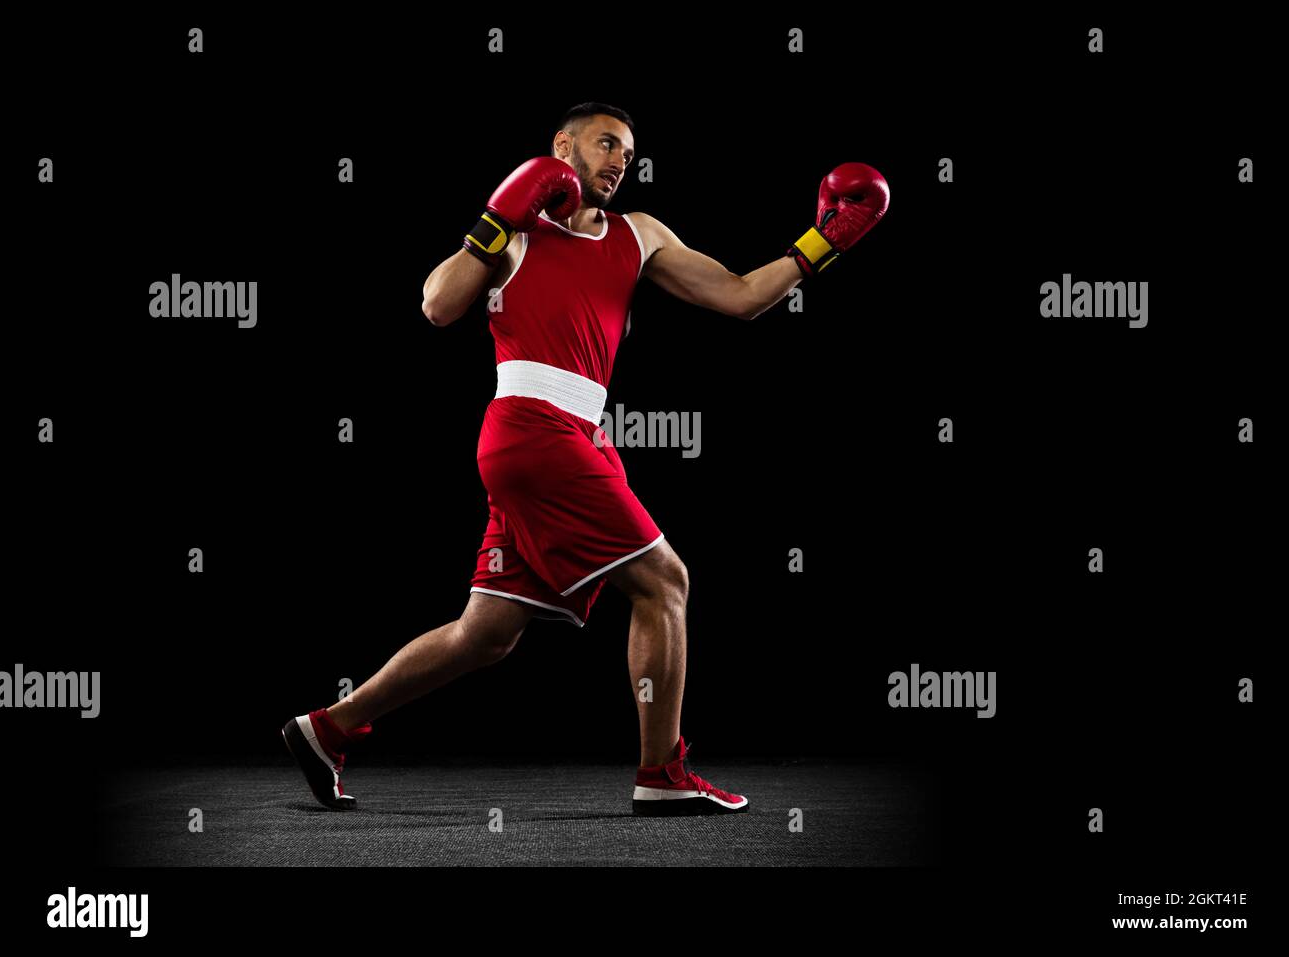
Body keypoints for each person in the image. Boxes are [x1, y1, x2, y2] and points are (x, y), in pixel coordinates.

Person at [283, 101, 889, 816]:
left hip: (563, 440)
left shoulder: (640, 235)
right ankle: (661, 772)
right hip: (533, 431)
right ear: (560, 145)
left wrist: (824, 241)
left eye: (627, 155)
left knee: (486, 633)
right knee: (665, 580)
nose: (617, 161)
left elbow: (740, 296)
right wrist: (498, 216)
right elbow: (438, 306)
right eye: (606, 144)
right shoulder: (514, 233)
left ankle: (327, 726)